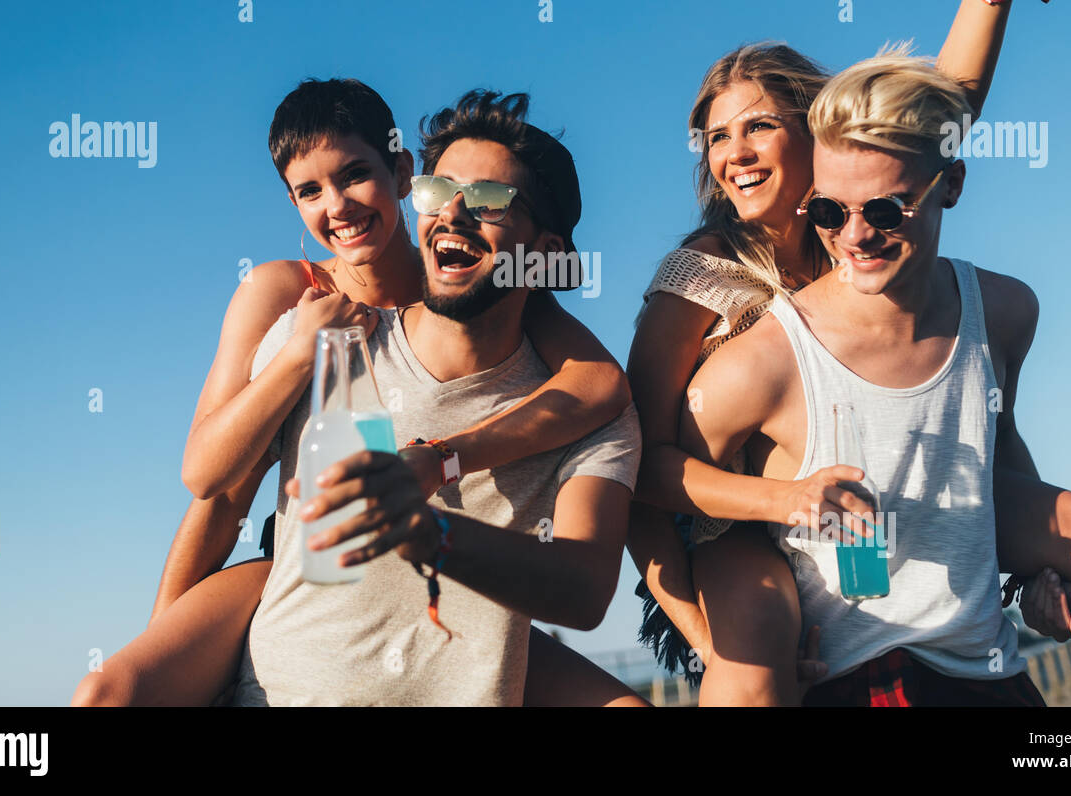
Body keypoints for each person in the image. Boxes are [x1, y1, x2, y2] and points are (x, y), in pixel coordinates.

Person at [73, 82, 644, 706]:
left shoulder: (529, 335)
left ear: (399, 174)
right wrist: (166, 658)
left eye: (486, 200)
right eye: (309, 191)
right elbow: (215, 489)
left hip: (454, 607)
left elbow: (600, 385)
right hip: (290, 560)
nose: (338, 206)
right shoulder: (297, 308)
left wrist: (440, 462)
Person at [657, 49, 1071, 705]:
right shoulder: (762, 362)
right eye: (829, 213)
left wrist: (1033, 581)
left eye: (886, 211)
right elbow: (653, 480)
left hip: (990, 673)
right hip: (859, 678)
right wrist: (725, 615)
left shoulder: (1003, 311)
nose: (855, 237)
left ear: (953, 185)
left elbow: (997, 450)